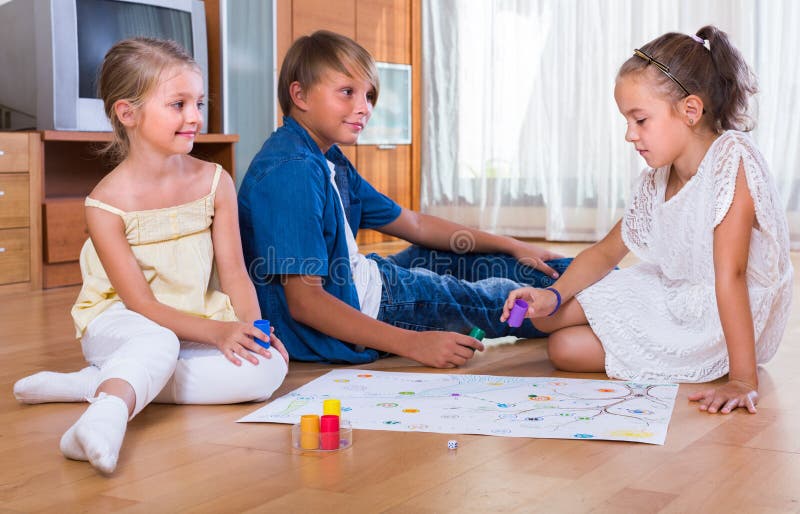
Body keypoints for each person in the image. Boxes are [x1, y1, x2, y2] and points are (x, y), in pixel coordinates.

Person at [13, 37, 289, 474]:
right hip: (124, 320)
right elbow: (140, 304)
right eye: (178, 104)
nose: (195, 117)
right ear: (128, 114)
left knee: (266, 371)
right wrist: (218, 336)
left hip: (193, 320)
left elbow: (235, 272)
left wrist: (251, 330)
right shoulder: (105, 204)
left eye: (199, 102)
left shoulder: (216, 182)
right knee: (156, 341)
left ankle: (105, 380)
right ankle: (106, 415)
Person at [501, 26, 792, 415]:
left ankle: (698, 358)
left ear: (690, 110)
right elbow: (606, 252)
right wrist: (552, 295)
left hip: (717, 314)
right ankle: (588, 322)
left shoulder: (732, 159)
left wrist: (742, 379)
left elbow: (732, 275)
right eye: (626, 121)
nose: (629, 135)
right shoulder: (658, 176)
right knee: (547, 321)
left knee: (564, 348)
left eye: (639, 120)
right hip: (671, 291)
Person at [238, 30, 572, 369]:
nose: (363, 108)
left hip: (368, 281)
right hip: (368, 307)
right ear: (300, 95)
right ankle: (602, 306)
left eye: (369, 96)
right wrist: (413, 344)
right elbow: (305, 303)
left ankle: (597, 281)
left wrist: (511, 244)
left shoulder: (327, 158)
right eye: (347, 92)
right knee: (495, 299)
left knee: (470, 253)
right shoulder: (291, 172)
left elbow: (413, 223)